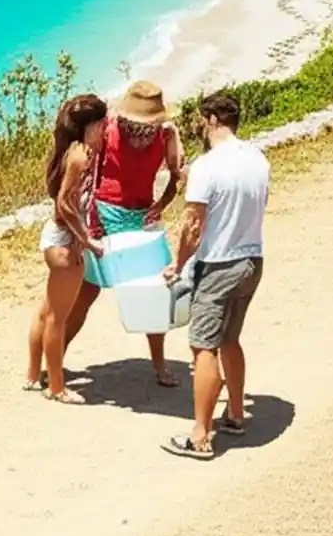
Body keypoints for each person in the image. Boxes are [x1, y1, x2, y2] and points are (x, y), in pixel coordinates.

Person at [160, 92, 269, 459]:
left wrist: (179, 263)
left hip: (219, 265)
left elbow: (193, 224)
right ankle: (236, 413)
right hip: (252, 259)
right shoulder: (257, 159)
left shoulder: (207, 166)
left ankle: (201, 436)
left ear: (211, 121)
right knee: (230, 339)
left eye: (200, 120)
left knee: (203, 345)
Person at [62, 80, 185, 388]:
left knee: (154, 291)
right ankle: (55, 358)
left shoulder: (166, 135)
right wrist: (84, 225)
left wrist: (163, 203)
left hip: (142, 217)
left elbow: (176, 174)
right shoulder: (108, 129)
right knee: (87, 293)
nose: (139, 129)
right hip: (105, 216)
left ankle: (159, 364)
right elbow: (80, 163)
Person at [25, 94, 109, 403]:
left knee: (47, 310)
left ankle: (33, 374)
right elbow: (64, 204)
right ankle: (56, 387)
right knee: (56, 318)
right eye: (102, 124)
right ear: (92, 125)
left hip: (57, 238)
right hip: (64, 245)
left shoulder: (71, 151)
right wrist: (85, 239)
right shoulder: (79, 157)